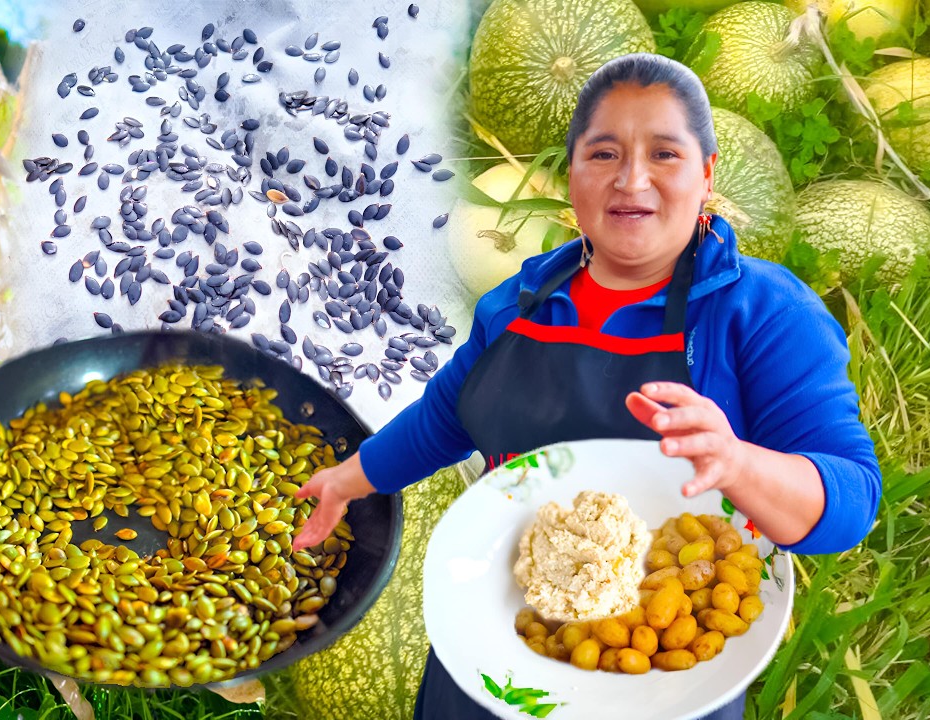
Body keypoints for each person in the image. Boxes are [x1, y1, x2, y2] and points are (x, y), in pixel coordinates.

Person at [291, 52, 881, 720]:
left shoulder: (765, 313)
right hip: (499, 650)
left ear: (707, 173)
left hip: (659, 680)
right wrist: (348, 480)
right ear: (570, 173)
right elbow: (444, 420)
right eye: (603, 154)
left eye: (664, 154)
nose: (632, 180)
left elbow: (853, 500)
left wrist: (739, 461)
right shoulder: (517, 303)